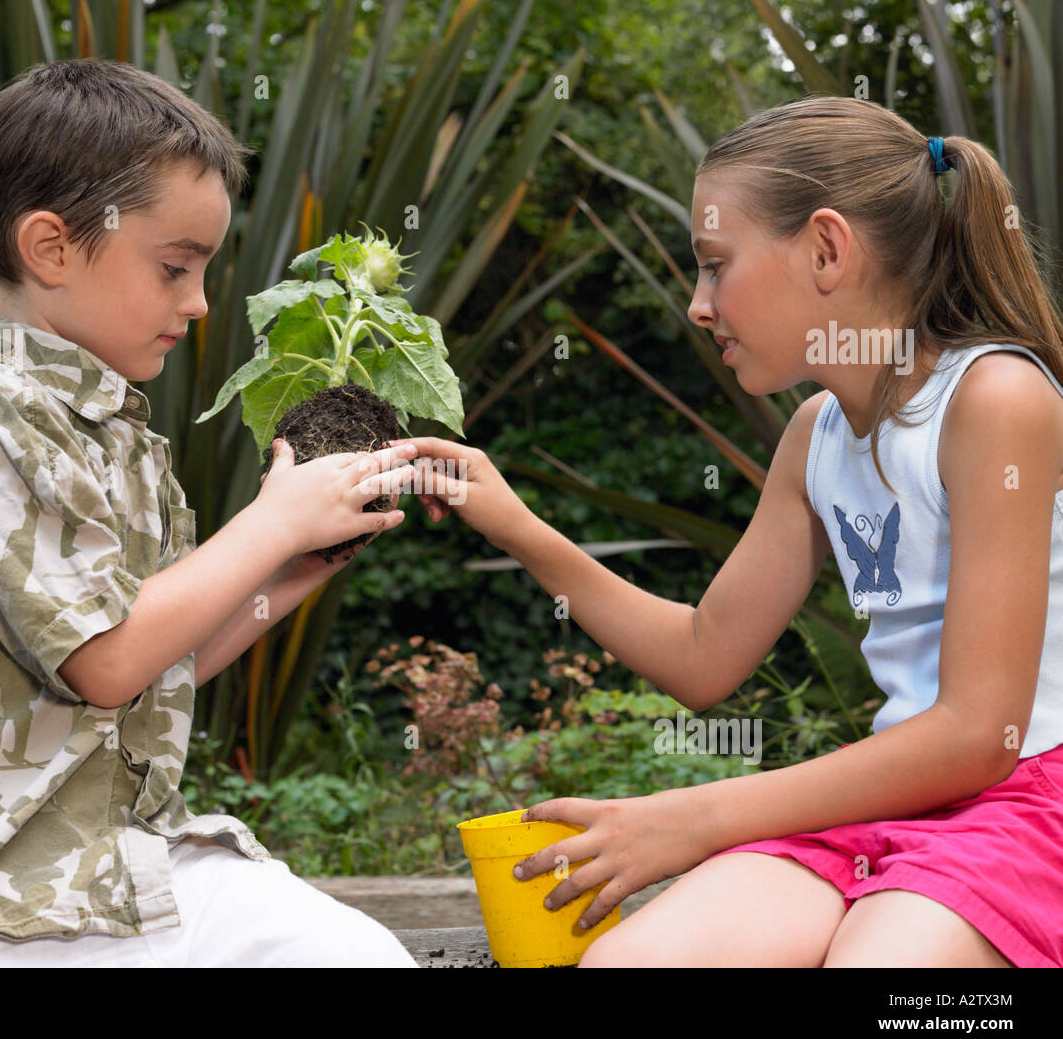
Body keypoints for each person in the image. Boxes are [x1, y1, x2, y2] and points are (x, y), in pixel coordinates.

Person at [394, 95, 1063, 968]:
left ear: (827, 249)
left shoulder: (997, 400)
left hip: (1030, 797)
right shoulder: (814, 439)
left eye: (715, 266)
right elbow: (704, 657)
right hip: (900, 797)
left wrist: (691, 815)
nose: (698, 306)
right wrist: (513, 521)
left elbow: (981, 734)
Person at [0, 58, 418, 968]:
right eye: (176, 268)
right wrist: (273, 523)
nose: (200, 302)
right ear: (49, 248)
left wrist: (295, 568)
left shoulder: (119, 430)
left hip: (107, 871)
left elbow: (158, 661)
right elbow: (102, 662)